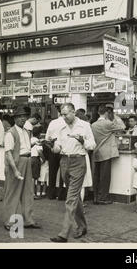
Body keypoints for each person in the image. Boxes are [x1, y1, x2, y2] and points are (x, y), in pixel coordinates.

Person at [50, 103, 96, 243]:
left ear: (73, 112)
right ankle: (82, 226)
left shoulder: (84, 125)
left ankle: (64, 233)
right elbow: (57, 148)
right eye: (62, 114)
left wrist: (83, 141)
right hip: (64, 161)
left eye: (66, 114)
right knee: (75, 196)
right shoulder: (60, 127)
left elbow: (92, 145)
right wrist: (52, 146)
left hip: (78, 161)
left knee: (70, 198)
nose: (63, 117)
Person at [3, 106, 41, 230]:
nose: (22, 118)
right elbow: (8, 153)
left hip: (27, 160)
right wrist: (15, 169)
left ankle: (28, 220)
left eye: (24, 116)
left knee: (28, 192)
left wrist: (36, 143)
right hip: (17, 162)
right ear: (14, 118)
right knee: (13, 192)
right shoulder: (10, 133)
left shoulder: (26, 131)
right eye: (19, 116)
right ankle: (9, 221)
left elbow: (24, 146)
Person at [91, 104, 126, 205]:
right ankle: (103, 198)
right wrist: (115, 117)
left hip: (96, 152)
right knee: (105, 177)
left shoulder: (93, 125)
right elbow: (122, 127)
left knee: (96, 176)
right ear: (106, 113)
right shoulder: (108, 123)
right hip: (106, 152)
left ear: (98, 113)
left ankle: (96, 197)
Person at [45, 106, 66, 200]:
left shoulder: (52, 123)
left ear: (58, 113)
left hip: (53, 149)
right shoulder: (68, 122)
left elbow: (47, 138)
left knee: (52, 173)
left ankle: (51, 194)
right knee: (63, 174)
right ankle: (61, 194)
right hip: (63, 150)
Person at [31, 126, 46, 200]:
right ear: (39, 134)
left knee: (30, 177)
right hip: (35, 159)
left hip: (29, 158)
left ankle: (29, 193)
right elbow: (40, 152)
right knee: (34, 177)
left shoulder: (30, 140)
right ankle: (33, 193)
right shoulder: (38, 141)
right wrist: (43, 159)